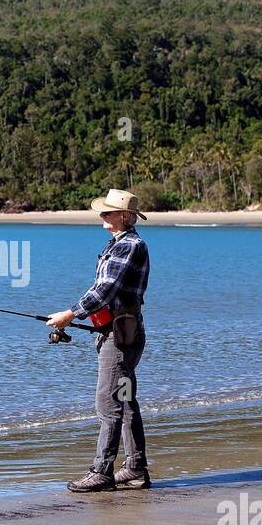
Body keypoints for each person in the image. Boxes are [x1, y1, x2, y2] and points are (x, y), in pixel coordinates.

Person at [45, 188, 151, 492]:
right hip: (119, 330)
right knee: (125, 400)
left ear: (126, 216)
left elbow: (104, 290)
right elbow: (106, 293)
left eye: (108, 211)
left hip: (120, 335)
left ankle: (102, 471)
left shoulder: (129, 245)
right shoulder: (118, 243)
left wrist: (70, 314)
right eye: (102, 211)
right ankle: (134, 469)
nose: (102, 215)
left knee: (109, 403)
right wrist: (79, 315)